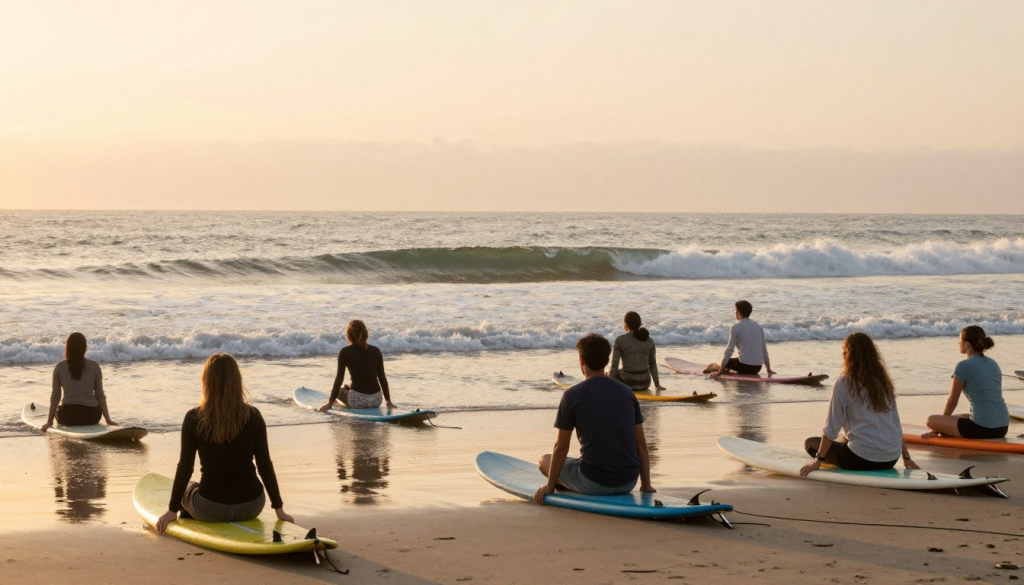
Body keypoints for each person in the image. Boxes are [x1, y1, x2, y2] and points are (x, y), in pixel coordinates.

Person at [155, 354, 292, 533]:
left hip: (211, 508)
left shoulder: (194, 418)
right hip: (251, 506)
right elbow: (264, 465)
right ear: (237, 380)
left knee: (189, 485)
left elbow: (185, 467)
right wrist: (279, 509)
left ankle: (186, 511)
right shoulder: (254, 416)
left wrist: (171, 510)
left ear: (206, 381)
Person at [534, 333, 655, 503]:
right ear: (607, 360)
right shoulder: (628, 393)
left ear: (581, 360)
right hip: (628, 482)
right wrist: (646, 485)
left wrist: (550, 486)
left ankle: (566, 484)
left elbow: (561, 447)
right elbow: (641, 444)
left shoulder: (572, 395)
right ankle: (575, 481)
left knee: (544, 460)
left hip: (594, 483)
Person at [800, 333, 919, 476]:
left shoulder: (843, 383)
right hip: (891, 458)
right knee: (845, 438)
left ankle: (829, 458)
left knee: (810, 443)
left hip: (860, 460)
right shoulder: (883, 383)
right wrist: (906, 458)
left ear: (847, 354)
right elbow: (896, 424)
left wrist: (818, 461)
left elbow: (831, 428)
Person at [922, 326, 1008, 440]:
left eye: (960, 340)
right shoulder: (993, 364)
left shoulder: (963, 365)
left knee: (931, 420)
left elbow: (951, 401)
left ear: (967, 344)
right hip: (1002, 427)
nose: (958, 343)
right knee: (963, 416)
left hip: (982, 428)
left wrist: (939, 427)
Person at [41, 332, 115, 432]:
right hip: (92, 417)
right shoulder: (94, 366)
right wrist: (108, 420)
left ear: (68, 348)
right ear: (85, 348)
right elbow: (100, 395)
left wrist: (49, 422)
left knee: (59, 410)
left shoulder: (60, 367)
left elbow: (56, 396)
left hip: (69, 417)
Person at [319, 320, 395, 411]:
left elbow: (339, 378)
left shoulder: (345, 352)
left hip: (357, 401)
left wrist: (330, 402)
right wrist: (388, 401)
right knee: (348, 387)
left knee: (337, 391)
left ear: (348, 335)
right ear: (366, 333)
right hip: (376, 399)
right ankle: (348, 389)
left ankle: (337, 398)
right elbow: (382, 377)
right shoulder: (376, 351)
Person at [707, 300, 776, 378]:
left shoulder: (736, 327)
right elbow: (764, 350)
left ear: (738, 312)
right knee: (735, 361)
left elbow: (729, 351)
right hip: (757, 368)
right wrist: (768, 369)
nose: (734, 312)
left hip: (743, 367)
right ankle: (725, 369)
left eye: (735, 310)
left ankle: (716, 368)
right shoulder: (758, 327)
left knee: (718, 364)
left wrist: (720, 371)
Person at [609, 311, 666, 392]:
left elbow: (614, 365)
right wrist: (657, 385)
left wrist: (608, 383)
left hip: (627, 383)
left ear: (625, 323)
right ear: (640, 324)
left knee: (609, 374)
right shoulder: (649, 341)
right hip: (645, 383)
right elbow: (652, 364)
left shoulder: (620, 340)